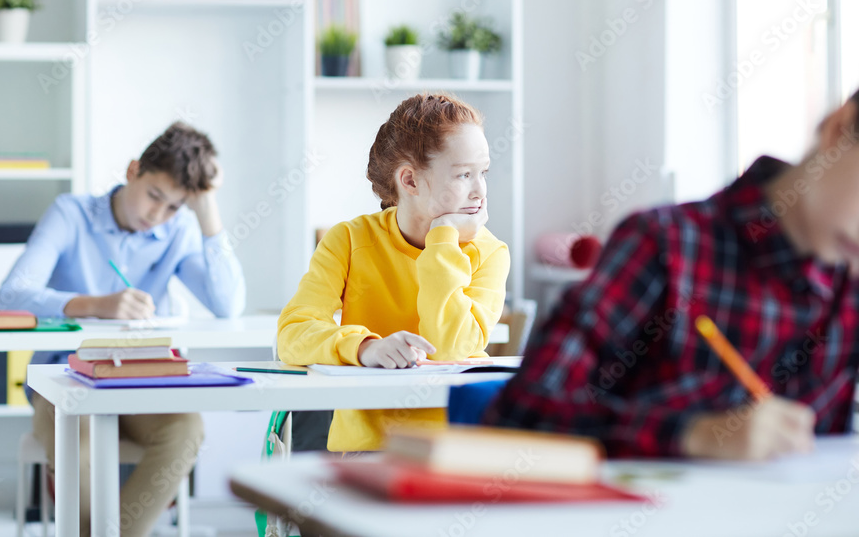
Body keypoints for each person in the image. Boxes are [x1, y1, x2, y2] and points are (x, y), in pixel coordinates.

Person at [484, 93, 859, 461]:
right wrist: (694, 434)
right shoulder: (664, 245)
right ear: (839, 131)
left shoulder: (849, 284)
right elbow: (522, 413)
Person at [0, 121, 245, 537]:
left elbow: (228, 304)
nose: (156, 215)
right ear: (133, 171)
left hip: (142, 379)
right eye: (154, 196)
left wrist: (207, 211)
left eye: (174, 206)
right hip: (63, 379)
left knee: (186, 430)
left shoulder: (176, 231)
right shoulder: (70, 214)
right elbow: (11, 296)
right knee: (81, 439)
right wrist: (94, 306)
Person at [278, 93, 510, 451]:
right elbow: (292, 334)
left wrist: (443, 239)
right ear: (410, 181)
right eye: (464, 174)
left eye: (483, 172)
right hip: (365, 446)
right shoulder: (350, 239)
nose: (480, 190)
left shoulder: (490, 251)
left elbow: (451, 348)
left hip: (456, 448)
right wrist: (365, 347)